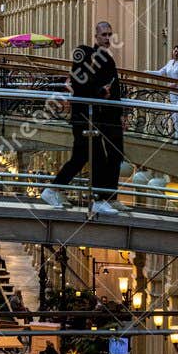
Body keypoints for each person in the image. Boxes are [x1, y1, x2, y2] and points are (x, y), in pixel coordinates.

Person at [42, 20, 124, 218]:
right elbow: (80, 84)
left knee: (102, 155)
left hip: (104, 116)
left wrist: (122, 114)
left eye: (109, 34)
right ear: (95, 36)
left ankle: (105, 197)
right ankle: (98, 199)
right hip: (85, 117)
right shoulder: (86, 54)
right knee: (97, 156)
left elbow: (116, 88)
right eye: (103, 34)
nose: (107, 38)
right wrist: (98, 92)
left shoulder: (108, 60)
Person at [157, 43, 178, 138]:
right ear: (173, 51)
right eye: (175, 51)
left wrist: (177, 83)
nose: (176, 53)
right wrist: (146, 72)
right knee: (173, 113)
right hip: (173, 91)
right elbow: (160, 72)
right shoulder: (170, 62)